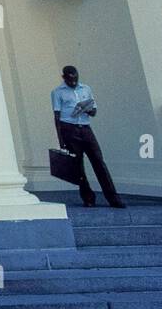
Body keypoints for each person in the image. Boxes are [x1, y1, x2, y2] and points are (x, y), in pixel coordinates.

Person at [52, 65, 125, 209]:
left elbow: (94, 110)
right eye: (70, 79)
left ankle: (113, 198)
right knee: (78, 166)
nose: (73, 81)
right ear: (64, 77)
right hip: (69, 129)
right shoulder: (57, 92)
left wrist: (87, 109)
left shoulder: (85, 89)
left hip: (86, 129)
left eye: (75, 78)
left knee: (99, 162)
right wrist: (61, 140)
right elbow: (56, 116)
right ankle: (88, 198)